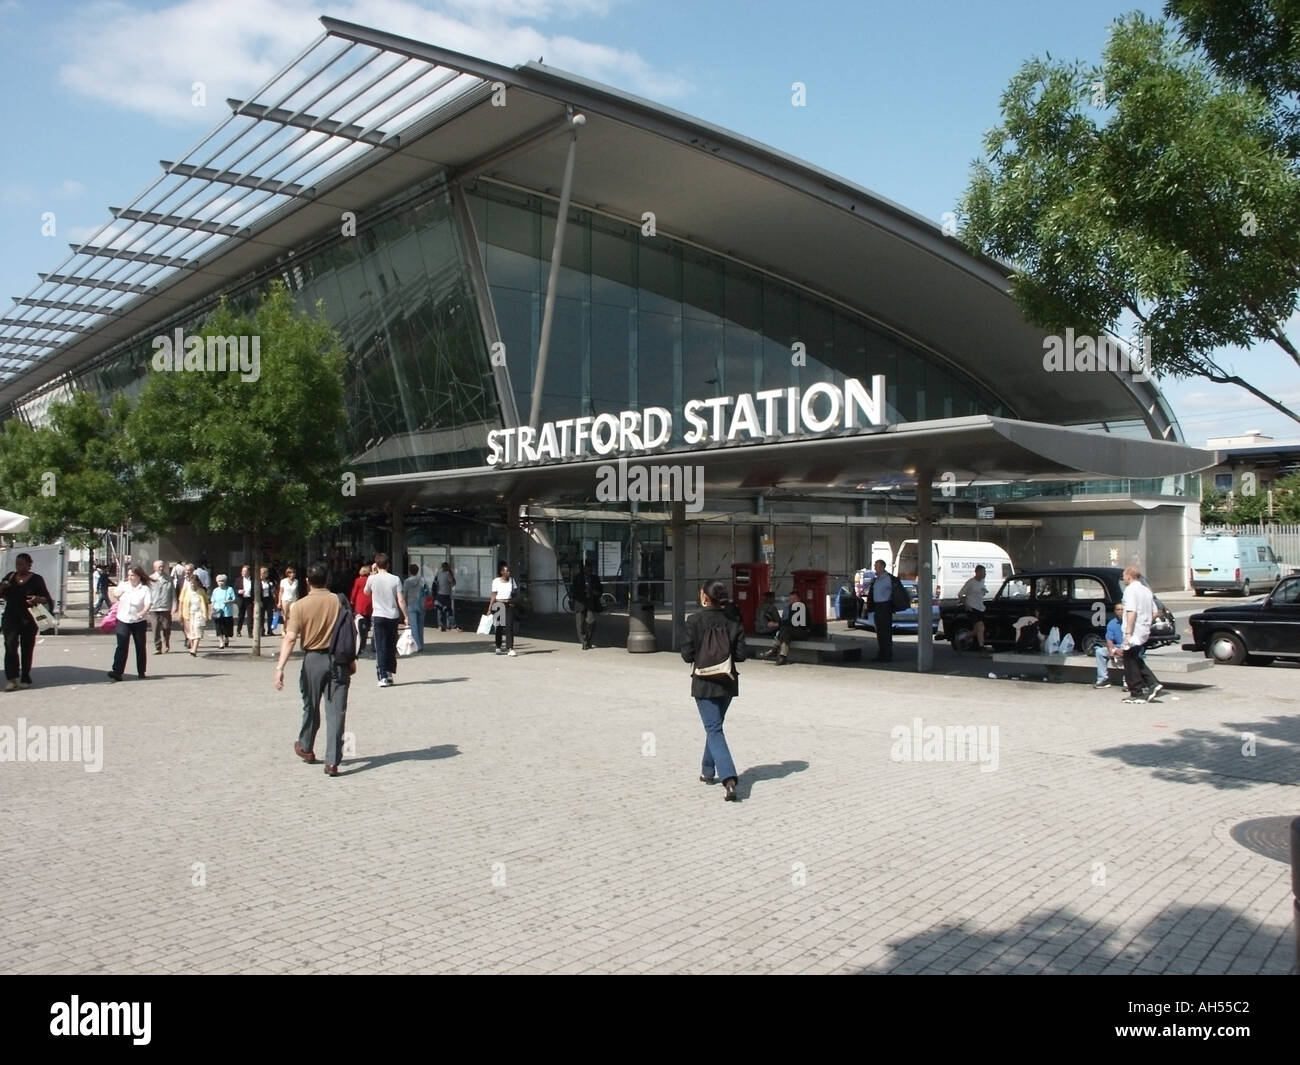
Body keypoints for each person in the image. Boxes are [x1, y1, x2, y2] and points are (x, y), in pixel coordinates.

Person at [274, 562, 351, 778]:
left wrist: (280, 667)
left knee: (310, 705)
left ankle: (306, 746)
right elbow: (349, 632)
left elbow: (290, 638)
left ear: (307, 582)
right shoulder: (339, 601)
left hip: (312, 660)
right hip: (338, 660)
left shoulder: (299, 606)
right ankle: (332, 761)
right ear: (328, 580)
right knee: (336, 711)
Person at [681, 580, 746, 802]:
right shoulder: (733, 621)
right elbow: (741, 655)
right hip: (727, 682)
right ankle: (707, 771)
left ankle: (729, 779)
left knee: (714, 729)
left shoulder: (694, 620)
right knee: (715, 727)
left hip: (703, 683)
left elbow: (687, 655)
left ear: (705, 597)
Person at [1, 553, 53, 691]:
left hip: (29, 618)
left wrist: (37, 598)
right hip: (10, 617)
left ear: (30, 565)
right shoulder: (10, 577)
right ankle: (11, 679)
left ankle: (25, 676)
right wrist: (3, 587)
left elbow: (46, 598)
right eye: (17, 564)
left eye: (22, 564)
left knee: (27, 647)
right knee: (10, 645)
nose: (19, 567)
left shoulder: (37, 579)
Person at [1119, 565, 1163, 704]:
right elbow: (1155, 611)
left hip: (1133, 630)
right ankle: (1152, 683)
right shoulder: (1146, 590)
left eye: (1124, 576)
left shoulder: (1130, 590)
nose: (1123, 578)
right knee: (1134, 657)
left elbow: (1131, 611)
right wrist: (1147, 623)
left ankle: (1137, 691)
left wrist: (1128, 633)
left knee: (1129, 660)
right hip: (1143, 629)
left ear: (1129, 576)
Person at [365, 553, 407, 686]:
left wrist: (372, 573)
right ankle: (389, 672)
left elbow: (366, 592)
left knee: (380, 646)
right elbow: (400, 599)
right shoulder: (395, 579)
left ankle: (382, 676)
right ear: (388, 564)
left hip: (378, 615)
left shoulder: (372, 579)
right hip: (393, 615)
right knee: (390, 645)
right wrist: (406, 616)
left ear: (376, 565)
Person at [108, 566, 152, 681]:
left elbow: (148, 603)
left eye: (132, 575)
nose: (130, 578)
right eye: (129, 575)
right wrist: (118, 593)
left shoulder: (144, 589)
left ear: (138, 576)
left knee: (140, 646)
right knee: (122, 645)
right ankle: (117, 671)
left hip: (138, 621)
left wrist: (142, 612)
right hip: (123, 619)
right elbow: (115, 594)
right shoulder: (124, 585)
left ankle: (141, 671)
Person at [866, 559, 899, 663]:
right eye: (875, 566)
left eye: (877, 566)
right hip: (877, 607)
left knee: (886, 632)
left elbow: (896, 591)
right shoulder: (876, 579)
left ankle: (887, 655)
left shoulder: (889, 578)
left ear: (882, 567)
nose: (875, 568)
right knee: (880, 632)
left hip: (885, 606)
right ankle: (881, 654)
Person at [570, 559, 604, 650]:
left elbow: (600, 590)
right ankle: (584, 642)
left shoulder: (594, 578)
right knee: (580, 625)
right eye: (586, 567)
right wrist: (583, 591)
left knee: (591, 621)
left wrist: (595, 592)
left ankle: (587, 639)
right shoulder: (577, 578)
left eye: (589, 567)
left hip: (591, 602)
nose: (588, 569)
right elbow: (573, 590)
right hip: (580, 603)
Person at [956, 565, 990, 652]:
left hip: (980, 607)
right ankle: (981, 648)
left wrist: (984, 592)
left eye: (985, 572)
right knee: (981, 626)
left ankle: (962, 640)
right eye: (983, 572)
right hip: (972, 607)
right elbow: (960, 594)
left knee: (977, 629)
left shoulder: (982, 581)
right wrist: (966, 605)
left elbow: (982, 591)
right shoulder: (970, 582)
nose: (985, 574)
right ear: (977, 572)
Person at [486, 562, 518, 657]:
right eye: (506, 571)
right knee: (499, 627)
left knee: (509, 627)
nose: (508, 572)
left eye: (509, 571)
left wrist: (514, 601)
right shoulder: (496, 581)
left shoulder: (512, 581)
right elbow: (493, 595)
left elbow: (515, 593)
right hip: (498, 604)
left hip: (509, 604)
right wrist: (489, 608)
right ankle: (498, 646)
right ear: (501, 572)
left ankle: (510, 648)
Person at [772, 588, 809, 666]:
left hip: (802, 631)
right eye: (791, 599)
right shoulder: (791, 607)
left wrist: (777, 624)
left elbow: (792, 622)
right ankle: (782, 657)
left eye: (794, 599)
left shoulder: (801, 607)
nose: (792, 601)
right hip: (793, 631)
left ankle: (775, 647)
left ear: (799, 599)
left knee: (786, 629)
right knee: (786, 634)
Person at [1095, 602, 1125, 689]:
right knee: (1099, 651)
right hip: (1117, 647)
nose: (1120, 612)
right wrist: (1112, 650)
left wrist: (1123, 650)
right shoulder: (1112, 623)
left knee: (1129, 654)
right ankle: (1102, 680)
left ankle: (1128, 682)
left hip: (1129, 647)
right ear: (1115, 611)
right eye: (1118, 609)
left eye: (1122, 609)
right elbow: (1109, 639)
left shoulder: (1130, 622)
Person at [148, 559, 176, 654]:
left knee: (166, 627)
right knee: (155, 629)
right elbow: (146, 593)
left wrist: (174, 606)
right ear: (154, 568)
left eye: (162, 566)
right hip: (153, 608)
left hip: (165, 607)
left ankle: (166, 642)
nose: (161, 568)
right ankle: (158, 647)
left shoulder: (169, 579)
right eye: (159, 566)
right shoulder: (150, 579)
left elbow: (173, 593)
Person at [179, 573, 210, 657]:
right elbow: (181, 602)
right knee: (190, 633)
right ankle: (193, 648)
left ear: (197, 583)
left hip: (199, 614)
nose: (193, 584)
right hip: (188, 614)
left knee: (197, 631)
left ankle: (194, 649)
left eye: (194, 583)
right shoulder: (185, 590)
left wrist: (207, 614)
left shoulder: (201, 591)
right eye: (191, 583)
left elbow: (206, 603)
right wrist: (180, 614)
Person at [350, 564, 374, 656]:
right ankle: (364, 641)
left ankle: (360, 645)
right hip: (369, 603)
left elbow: (354, 592)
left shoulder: (358, 581)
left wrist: (352, 601)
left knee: (359, 625)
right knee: (367, 624)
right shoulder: (370, 580)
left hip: (360, 604)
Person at [402, 564, 426, 652]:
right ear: (418, 570)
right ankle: (421, 644)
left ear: (409, 571)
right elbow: (427, 591)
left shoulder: (407, 581)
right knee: (420, 625)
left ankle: (417, 645)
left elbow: (404, 594)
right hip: (421, 604)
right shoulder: (422, 580)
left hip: (411, 604)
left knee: (414, 626)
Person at [210, 574, 236, 648]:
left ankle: (226, 639)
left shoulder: (230, 589)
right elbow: (213, 601)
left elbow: (234, 599)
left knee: (227, 628)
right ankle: (221, 642)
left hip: (227, 612)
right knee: (218, 628)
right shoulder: (215, 590)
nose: (221, 582)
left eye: (222, 581)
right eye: (219, 581)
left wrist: (229, 601)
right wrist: (211, 611)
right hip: (217, 611)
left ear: (225, 581)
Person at [276, 566, 301, 635]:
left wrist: (298, 600)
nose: (292, 574)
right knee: (285, 615)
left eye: (293, 572)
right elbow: (281, 592)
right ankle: (283, 629)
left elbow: (296, 591)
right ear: (287, 573)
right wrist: (279, 602)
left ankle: (290, 629)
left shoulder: (296, 581)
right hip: (285, 599)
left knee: (292, 615)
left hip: (293, 600)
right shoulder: (283, 581)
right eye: (290, 572)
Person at [757, 591, 782, 655]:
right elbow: (778, 621)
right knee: (782, 630)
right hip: (767, 630)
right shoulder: (772, 608)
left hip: (758, 629)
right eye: (773, 597)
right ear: (770, 598)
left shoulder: (759, 607)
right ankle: (775, 649)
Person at [433, 562, 456, 631]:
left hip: (439, 595)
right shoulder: (448, 574)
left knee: (439, 610)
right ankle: (452, 625)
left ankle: (440, 625)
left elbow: (435, 583)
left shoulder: (439, 574)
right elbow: (453, 583)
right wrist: (451, 573)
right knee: (448, 610)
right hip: (446, 595)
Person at [236, 565, 255, 638]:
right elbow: (235, 589)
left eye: (245, 571)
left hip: (249, 600)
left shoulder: (253, 580)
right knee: (241, 616)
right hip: (241, 599)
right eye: (242, 571)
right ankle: (238, 630)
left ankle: (250, 632)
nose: (243, 573)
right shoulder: (238, 579)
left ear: (249, 572)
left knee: (250, 617)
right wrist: (238, 591)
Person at [259, 567, 276, 636]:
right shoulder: (258, 581)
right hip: (262, 599)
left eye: (266, 573)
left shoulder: (269, 581)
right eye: (264, 573)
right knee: (261, 616)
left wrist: (272, 587)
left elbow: (273, 590)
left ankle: (270, 630)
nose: (266, 574)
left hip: (269, 599)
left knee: (270, 615)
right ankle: (262, 630)